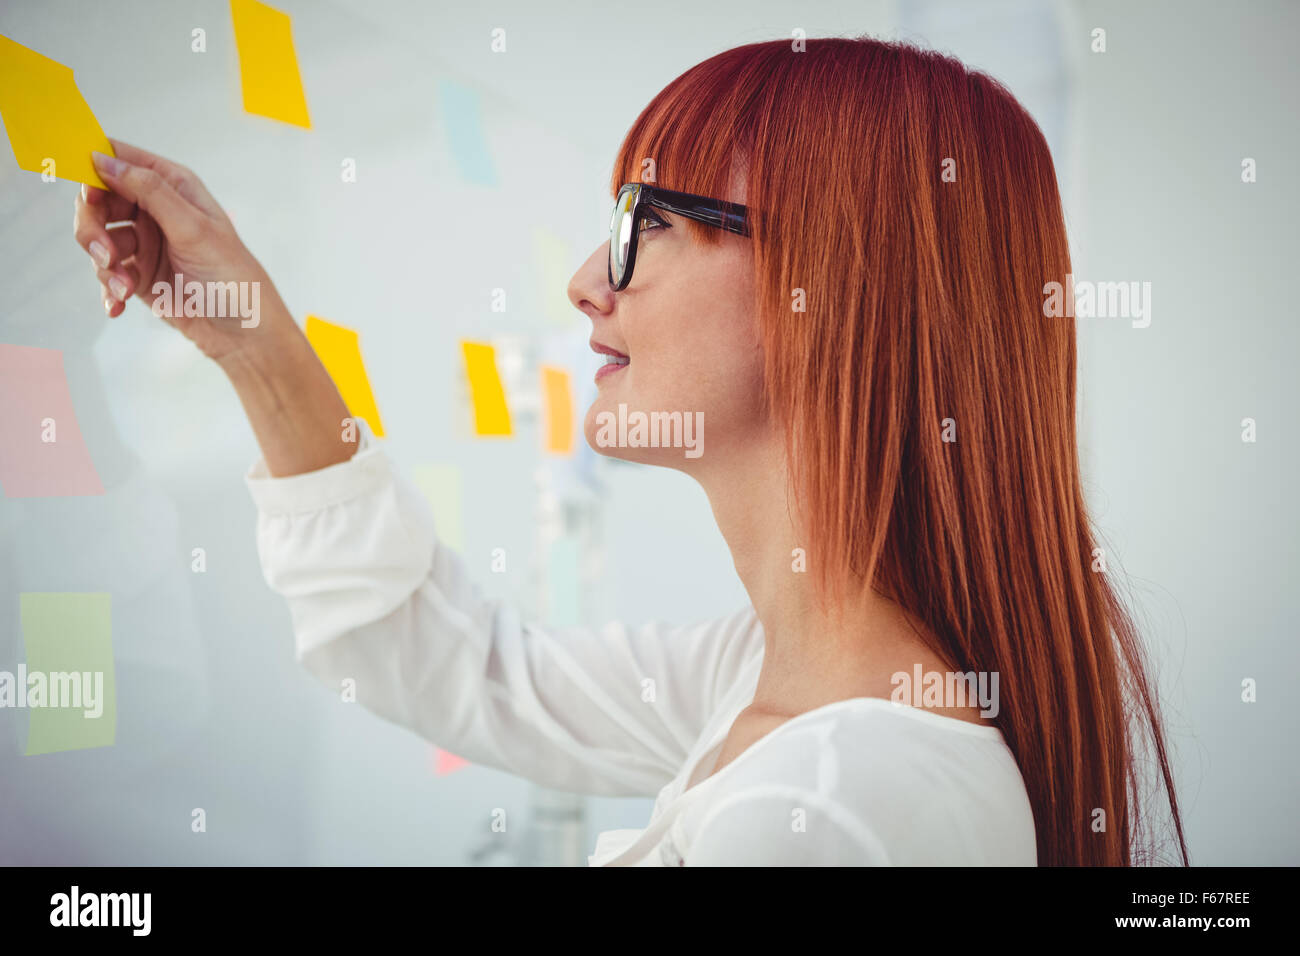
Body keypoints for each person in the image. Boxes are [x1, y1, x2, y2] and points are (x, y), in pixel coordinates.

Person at [71, 36, 1187, 866]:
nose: (585, 282)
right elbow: (460, 668)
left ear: (822, 287)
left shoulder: (829, 806)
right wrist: (251, 336)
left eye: (643, 223)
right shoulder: (765, 680)